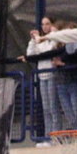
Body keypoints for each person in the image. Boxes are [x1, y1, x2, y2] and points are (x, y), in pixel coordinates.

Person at [21, 15, 63, 144]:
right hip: (42, 75)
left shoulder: (54, 39)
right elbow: (31, 54)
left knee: (53, 107)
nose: (45, 27)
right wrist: (33, 40)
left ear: (53, 25)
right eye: (43, 24)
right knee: (46, 108)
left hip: (52, 74)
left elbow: (48, 51)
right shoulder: (41, 41)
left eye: (48, 24)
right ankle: (48, 136)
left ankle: (55, 137)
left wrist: (50, 35)